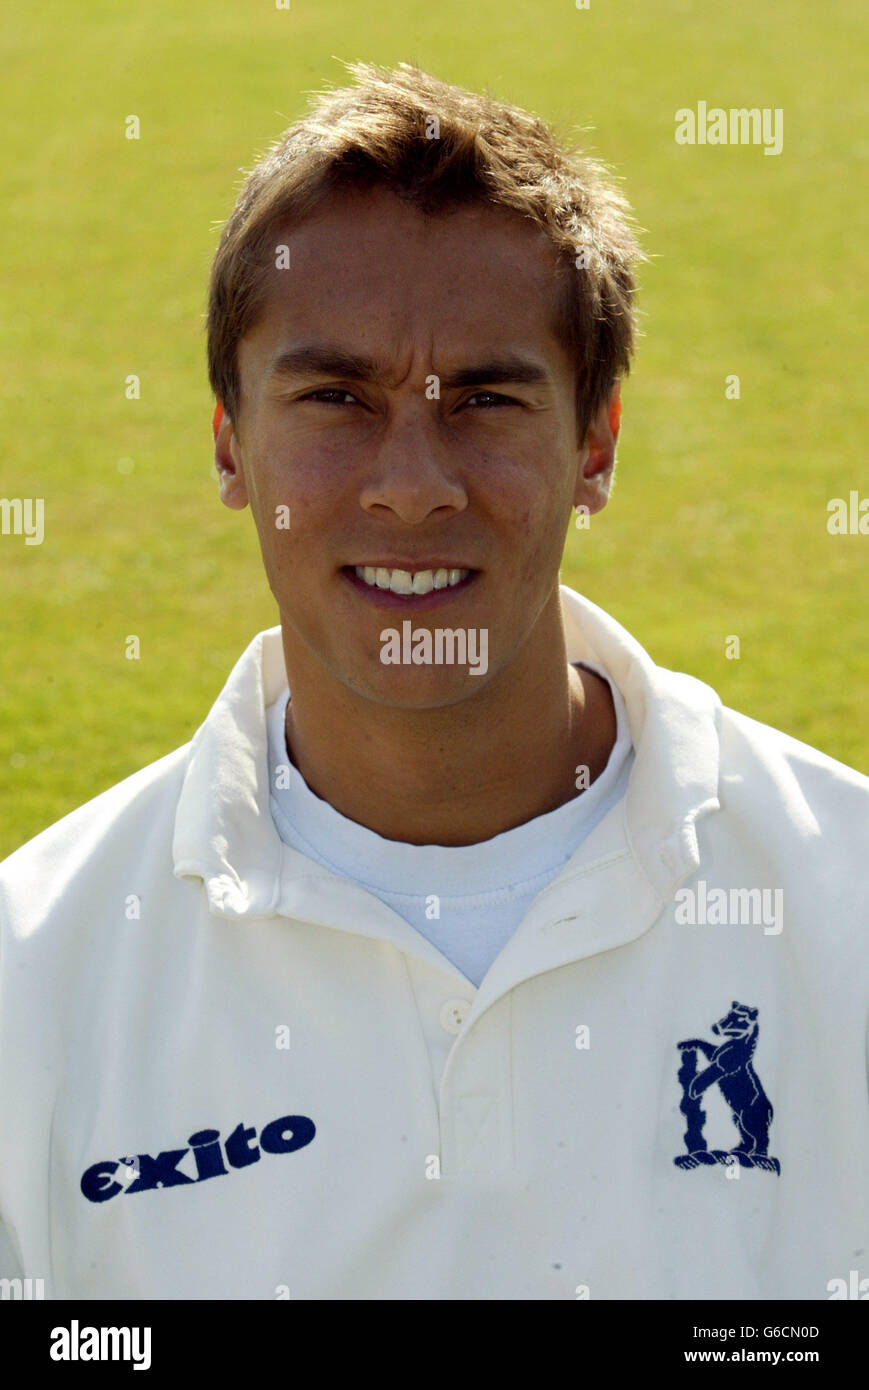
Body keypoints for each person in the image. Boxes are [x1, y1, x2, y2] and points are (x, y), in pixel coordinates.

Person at [0, 61, 866, 1302]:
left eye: (486, 397)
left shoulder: (844, 906)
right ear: (230, 443)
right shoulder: (34, 975)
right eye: (337, 396)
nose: (413, 486)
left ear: (595, 445)